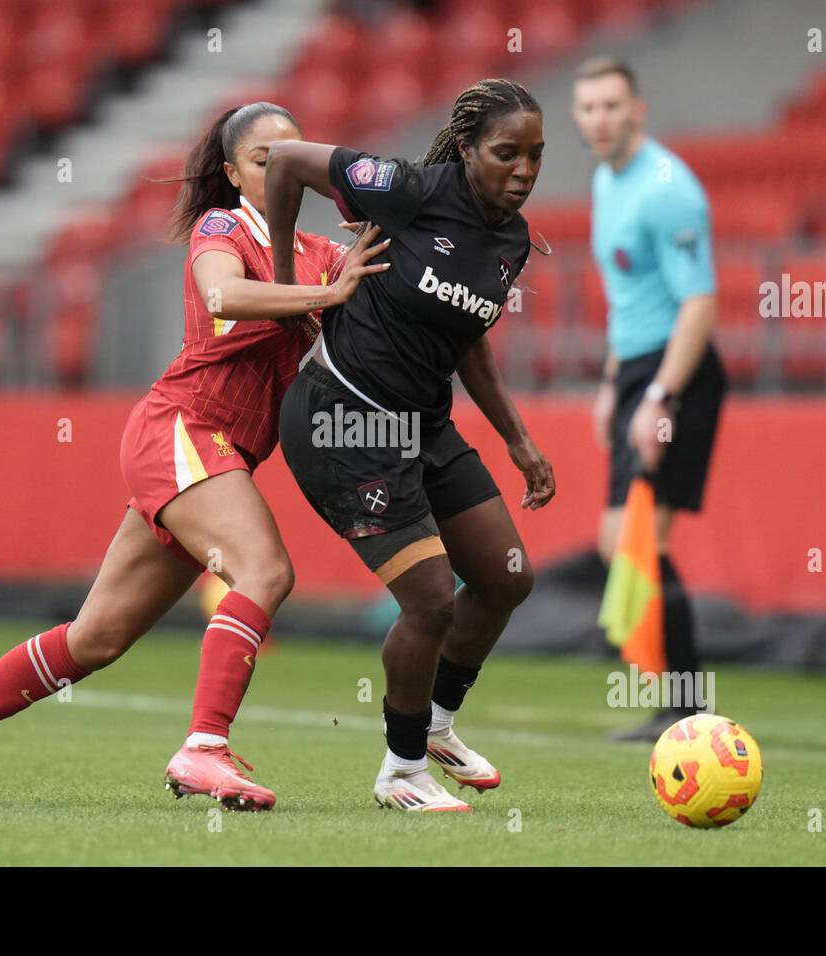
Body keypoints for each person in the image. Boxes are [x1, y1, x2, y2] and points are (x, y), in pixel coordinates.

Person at [0, 102, 389, 811]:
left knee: (96, 639)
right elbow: (223, 293)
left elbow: (384, 296)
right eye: (264, 159)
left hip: (210, 450)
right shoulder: (224, 227)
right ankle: (204, 746)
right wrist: (328, 295)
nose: (281, 169)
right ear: (234, 173)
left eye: (295, 156)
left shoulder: (321, 253)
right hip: (183, 428)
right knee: (264, 569)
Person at [267, 78, 556, 812]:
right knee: (429, 599)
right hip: (345, 417)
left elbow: (466, 340)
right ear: (465, 148)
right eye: (506, 154)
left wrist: (518, 440)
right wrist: (287, 292)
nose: (523, 170)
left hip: (423, 424)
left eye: (536, 156)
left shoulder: (511, 240)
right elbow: (286, 161)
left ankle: (436, 726)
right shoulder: (407, 188)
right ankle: (400, 770)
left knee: (506, 577)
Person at [571, 57, 727, 742]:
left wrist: (659, 395)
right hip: (636, 371)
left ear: (639, 109)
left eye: (611, 105)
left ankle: (688, 705)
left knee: (642, 538)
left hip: (678, 374)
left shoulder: (670, 190)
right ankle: (679, 697)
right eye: (588, 108)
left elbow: (700, 304)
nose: (599, 119)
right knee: (619, 541)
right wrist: (614, 384)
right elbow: (628, 300)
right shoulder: (607, 181)